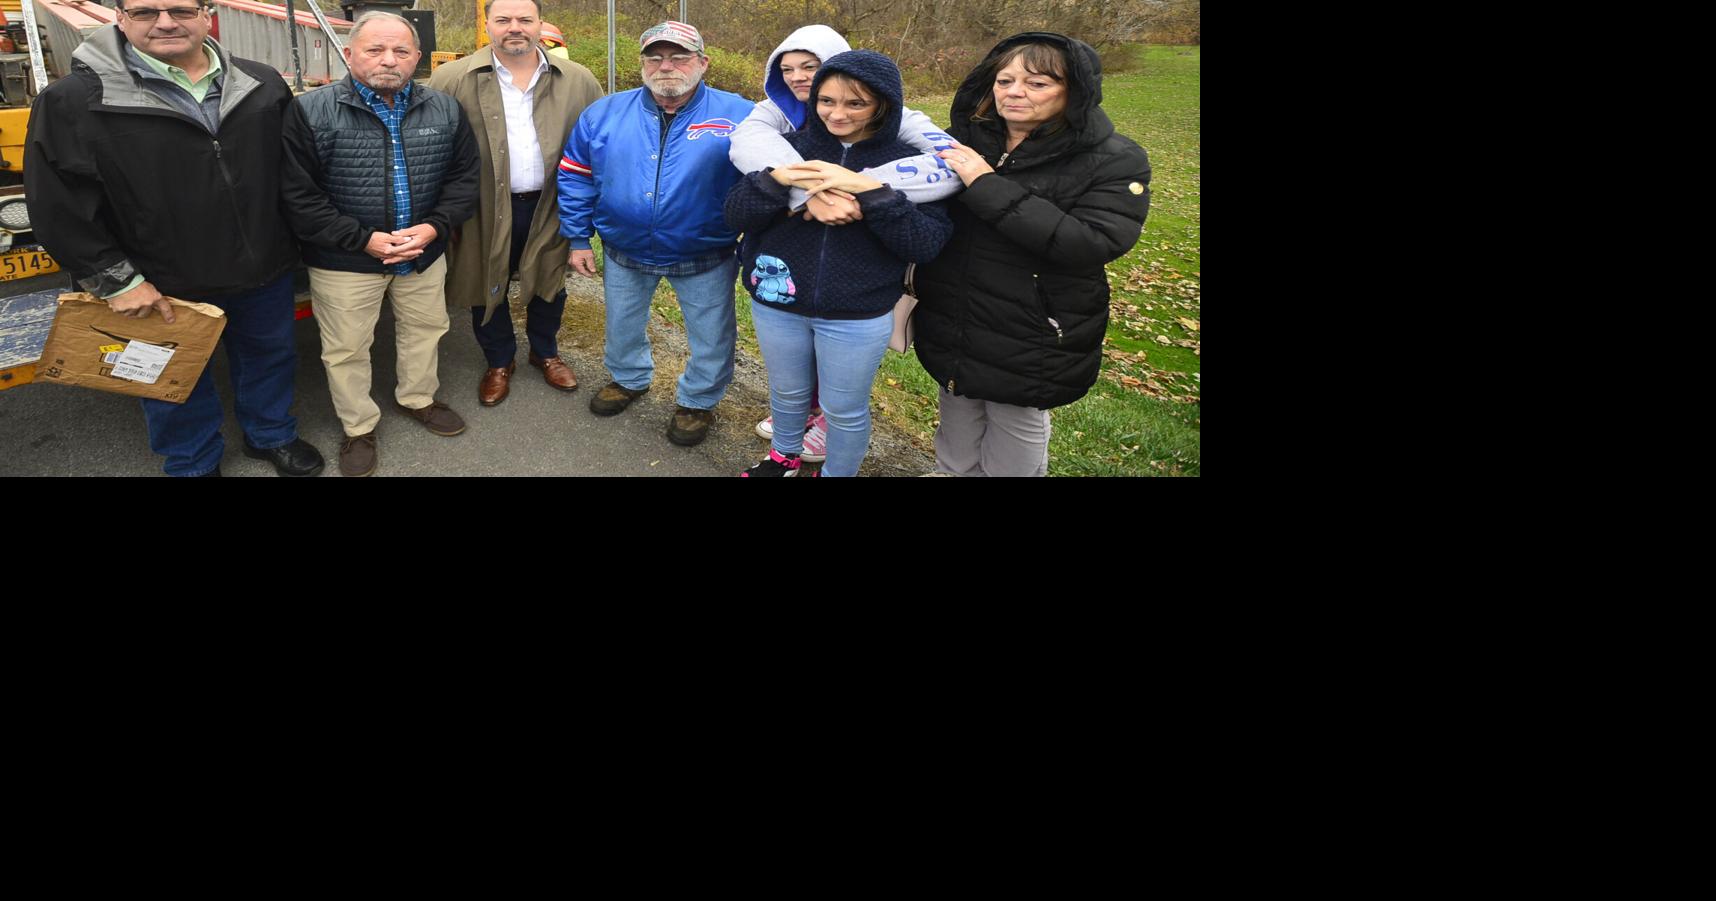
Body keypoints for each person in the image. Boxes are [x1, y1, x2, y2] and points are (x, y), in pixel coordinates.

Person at [23, 1, 324, 477]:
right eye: (146, 11)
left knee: (270, 357)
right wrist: (117, 282)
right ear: (120, 18)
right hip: (155, 279)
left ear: (207, 14)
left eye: (180, 8)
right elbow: (57, 205)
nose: (165, 22)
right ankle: (193, 460)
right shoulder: (74, 101)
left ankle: (270, 435)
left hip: (260, 265)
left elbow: (292, 173)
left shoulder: (261, 83)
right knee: (165, 375)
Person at [915, 33, 1151, 476]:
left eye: (1037, 83)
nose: (1014, 92)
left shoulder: (1114, 159)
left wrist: (985, 184)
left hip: (1033, 329)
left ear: (1073, 90)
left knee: (1015, 429)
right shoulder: (964, 142)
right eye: (1004, 81)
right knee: (957, 413)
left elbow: (1091, 242)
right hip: (955, 316)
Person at [727, 23, 962, 456]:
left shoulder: (912, 165)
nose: (837, 114)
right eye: (826, 101)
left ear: (883, 106)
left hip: (858, 313)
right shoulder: (781, 148)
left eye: (856, 103)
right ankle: (781, 458)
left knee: (844, 409)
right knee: (787, 396)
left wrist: (872, 196)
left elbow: (925, 244)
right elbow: (736, 214)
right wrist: (781, 185)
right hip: (777, 303)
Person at [280, 11, 479, 476]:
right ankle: (358, 427)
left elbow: (465, 179)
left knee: (425, 331)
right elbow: (297, 195)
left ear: (417, 58)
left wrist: (434, 228)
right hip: (344, 260)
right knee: (346, 348)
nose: (388, 60)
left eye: (401, 51)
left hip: (423, 254)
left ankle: (417, 399)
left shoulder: (445, 108)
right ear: (348, 54)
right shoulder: (309, 111)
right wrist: (363, 239)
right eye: (374, 49)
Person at [556, 21, 753, 447]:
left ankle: (698, 401)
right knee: (622, 324)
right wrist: (576, 237)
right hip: (624, 248)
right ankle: (628, 379)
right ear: (642, 64)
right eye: (655, 57)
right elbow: (575, 176)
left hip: (705, 252)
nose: (666, 66)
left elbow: (766, 182)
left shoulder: (740, 114)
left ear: (703, 62)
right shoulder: (604, 113)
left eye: (679, 56)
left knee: (712, 335)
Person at [428, 0, 603, 407]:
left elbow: (599, 147)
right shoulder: (450, 77)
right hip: (480, 206)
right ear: (487, 25)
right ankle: (498, 360)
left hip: (550, 205)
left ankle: (545, 352)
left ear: (541, 25)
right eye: (503, 19)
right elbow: (431, 146)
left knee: (549, 280)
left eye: (525, 19)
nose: (515, 28)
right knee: (483, 282)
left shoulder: (578, 80)